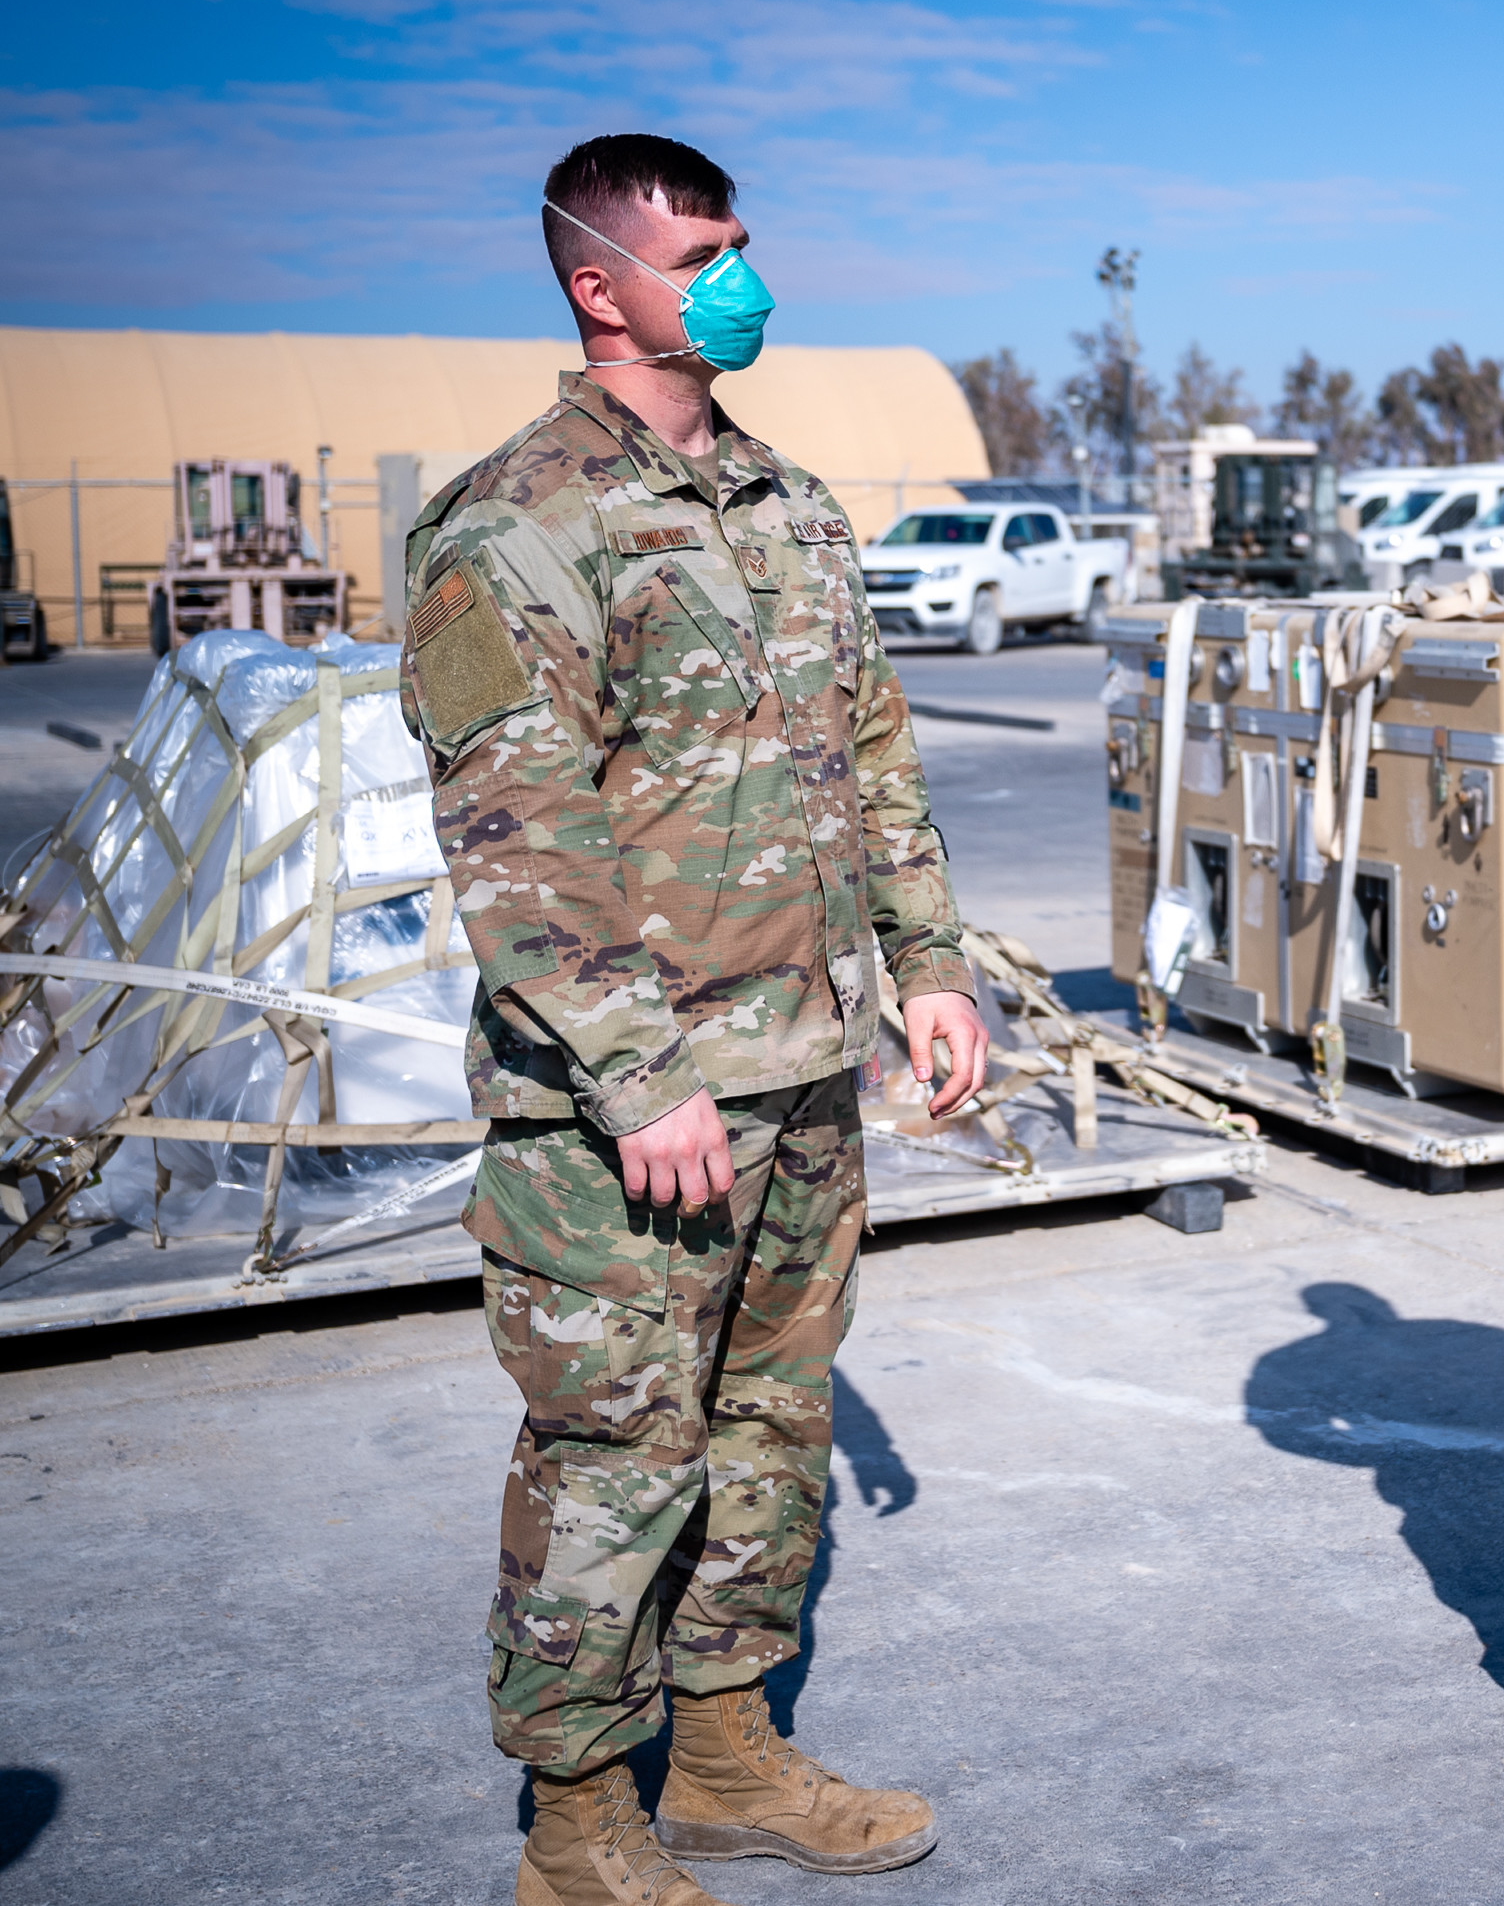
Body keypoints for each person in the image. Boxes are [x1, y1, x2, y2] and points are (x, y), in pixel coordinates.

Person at [403, 134, 990, 1906]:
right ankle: (578, 1827)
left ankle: (727, 1757)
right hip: (625, 1112)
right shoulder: (515, 520)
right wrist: (637, 1074)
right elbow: (517, 832)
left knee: (767, 1431)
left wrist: (932, 964)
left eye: (743, 240)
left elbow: (870, 757)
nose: (742, 275)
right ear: (602, 282)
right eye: (706, 249)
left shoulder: (793, 509)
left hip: (804, 1078)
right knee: (612, 1456)